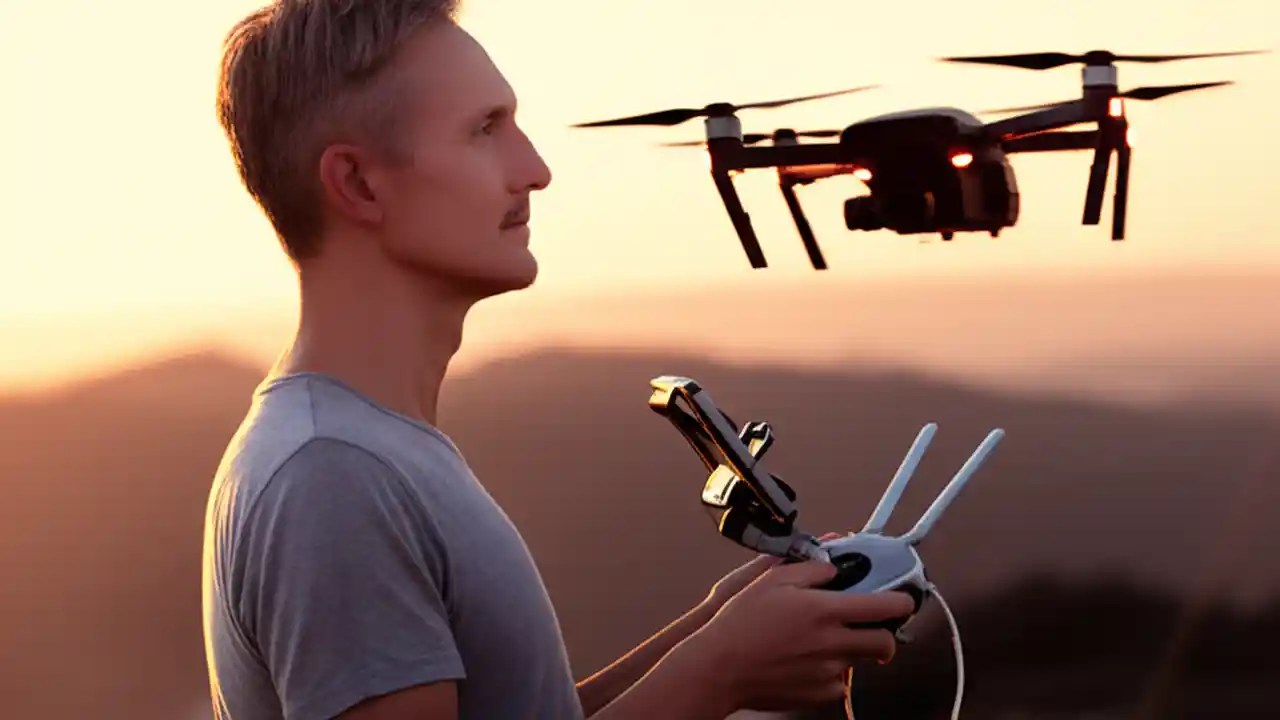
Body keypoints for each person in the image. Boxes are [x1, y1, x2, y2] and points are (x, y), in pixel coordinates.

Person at [200, 1, 915, 718]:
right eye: (484, 130)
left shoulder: (366, 447)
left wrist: (713, 627)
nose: (535, 171)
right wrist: (719, 673)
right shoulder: (333, 475)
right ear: (357, 183)